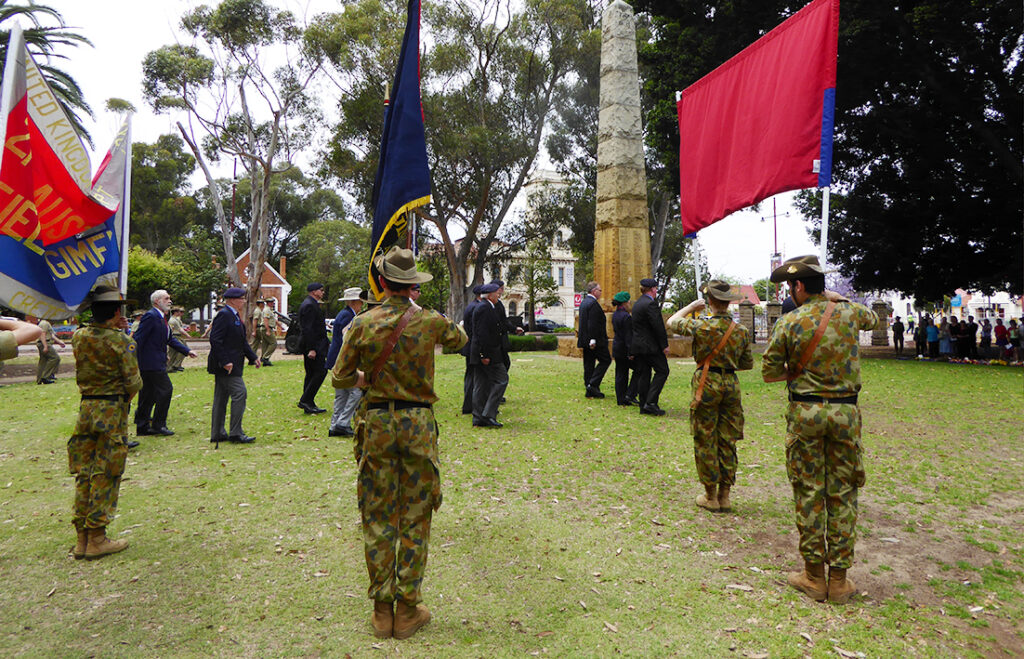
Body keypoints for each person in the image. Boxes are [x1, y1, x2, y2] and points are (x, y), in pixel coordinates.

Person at [332, 247, 467, 640]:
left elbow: (340, 377)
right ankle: (408, 609)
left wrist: (365, 381)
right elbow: (460, 338)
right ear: (412, 286)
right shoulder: (427, 321)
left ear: (382, 282)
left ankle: (381, 612)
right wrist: (423, 312)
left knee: (377, 514)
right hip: (418, 424)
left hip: (375, 422)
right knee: (415, 514)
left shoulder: (361, 322)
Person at [761, 255, 878, 605]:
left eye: (790, 286)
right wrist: (838, 299)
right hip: (845, 412)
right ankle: (840, 581)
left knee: (809, 491)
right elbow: (872, 318)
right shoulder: (850, 313)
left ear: (798, 287)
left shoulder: (790, 321)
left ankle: (813, 576)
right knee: (842, 492)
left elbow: (769, 371)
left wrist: (797, 374)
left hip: (806, 413)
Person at [67, 287, 142, 560]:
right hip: (111, 408)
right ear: (116, 312)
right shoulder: (122, 341)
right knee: (106, 472)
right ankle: (97, 537)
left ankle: (82, 539)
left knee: (84, 472)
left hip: (86, 408)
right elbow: (133, 382)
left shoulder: (78, 337)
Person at [667, 281, 753, 513]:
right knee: (728, 438)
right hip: (731, 385)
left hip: (706, 383)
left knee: (705, 437)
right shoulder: (741, 330)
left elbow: (671, 322)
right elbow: (746, 364)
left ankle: (710, 496)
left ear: (711, 302)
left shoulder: (702, 327)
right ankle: (725, 496)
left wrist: (691, 306)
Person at [133, 289, 195, 437]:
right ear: (157, 301)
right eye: (166, 298)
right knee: (165, 390)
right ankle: (158, 425)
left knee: (148, 394)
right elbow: (139, 338)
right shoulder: (151, 316)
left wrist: (187, 351)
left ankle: (142, 426)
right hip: (150, 363)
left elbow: (169, 338)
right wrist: (137, 358)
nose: (170, 301)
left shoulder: (161, 318)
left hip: (155, 361)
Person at [207, 287, 260, 446]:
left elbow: (241, 341)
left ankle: (217, 432)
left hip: (232, 363)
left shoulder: (234, 316)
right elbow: (216, 340)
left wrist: (253, 356)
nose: (244, 301)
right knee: (239, 393)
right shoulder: (224, 315)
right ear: (231, 300)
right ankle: (236, 433)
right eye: (241, 299)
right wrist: (225, 361)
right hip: (226, 365)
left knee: (221, 398)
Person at [326, 287, 365, 437]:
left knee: (341, 393)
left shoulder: (344, 314)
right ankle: (342, 423)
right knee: (355, 392)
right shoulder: (349, 316)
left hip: (336, 358)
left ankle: (335, 425)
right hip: (343, 359)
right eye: (361, 302)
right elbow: (346, 339)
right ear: (355, 302)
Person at [630, 278, 670, 416]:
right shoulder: (650, 304)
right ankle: (651, 402)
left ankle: (643, 404)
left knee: (644, 374)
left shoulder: (637, 304)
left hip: (639, 346)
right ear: (653, 289)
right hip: (650, 346)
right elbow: (658, 326)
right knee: (663, 371)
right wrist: (664, 345)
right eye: (656, 288)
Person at [471, 283, 507, 428]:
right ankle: (488, 414)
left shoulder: (485, 307)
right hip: (487, 354)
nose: (499, 295)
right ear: (490, 295)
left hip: (483, 353)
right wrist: (483, 355)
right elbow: (482, 334)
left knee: (481, 384)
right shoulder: (485, 309)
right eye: (497, 293)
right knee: (502, 379)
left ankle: (479, 417)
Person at [297, 283, 329, 414]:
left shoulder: (310, 303)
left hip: (314, 344)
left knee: (311, 374)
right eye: (321, 290)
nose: (322, 292)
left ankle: (309, 403)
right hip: (314, 345)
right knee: (320, 372)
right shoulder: (310, 305)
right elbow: (308, 328)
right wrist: (312, 348)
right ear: (314, 291)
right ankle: (305, 400)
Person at [577, 281, 611, 398]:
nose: (601, 293)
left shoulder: (584, 302)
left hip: (585, 340)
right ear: (594, 291)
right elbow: (592, 324)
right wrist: (593, 339)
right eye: (600, 290)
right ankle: (592, 384)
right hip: (595, 340)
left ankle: (589, 389)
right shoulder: (593, 304)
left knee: (589, 364)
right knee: (606, 360)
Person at [611, 291, 638, 406]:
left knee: (620, 374)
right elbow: (628, 336)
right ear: (625, 303)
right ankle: (630, 394)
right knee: (639, 370)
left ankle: (620, 398)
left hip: (617, 347)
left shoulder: (615, 315)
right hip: (624, 349)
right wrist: (631, 352)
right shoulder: (626, 317)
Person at [460, 285, 484, 415]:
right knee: (475, 378)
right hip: (473, 348)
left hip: (470, 347)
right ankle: (471, 406)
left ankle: (469, 406)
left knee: (471, 377)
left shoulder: (472, 305)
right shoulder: (476, 307)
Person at [35, 318, 65, 384]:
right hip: (45, 343)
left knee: (43, 361)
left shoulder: (45, 323)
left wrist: (59, 342)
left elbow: (51, 335)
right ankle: (46, 376)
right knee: (55, 358)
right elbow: (42, 334)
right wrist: (45, 346)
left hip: (43, 343)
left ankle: (39, 379)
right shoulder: (44, 323)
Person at [167, 307, 189, 372]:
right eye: (179, 312)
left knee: (174, 352)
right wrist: (187, 335)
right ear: (175, 312)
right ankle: (174, 366)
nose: (181, 313)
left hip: (178, 336)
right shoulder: (172, 320)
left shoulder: (176, 319)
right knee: (180, 350)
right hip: (175, 336)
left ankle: (173, 366)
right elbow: (178, 329)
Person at [261, 297, 278, 365]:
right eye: (271, 302)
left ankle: (264, 359)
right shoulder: (267, 310)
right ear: (268, 303)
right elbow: (266, 320)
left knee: (265, 344)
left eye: (273, 302)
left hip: (265, 328)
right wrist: (268, 330)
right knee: (273, 343)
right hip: (267, 328)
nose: (273, 304)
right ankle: (265, 358)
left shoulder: (269, 310)